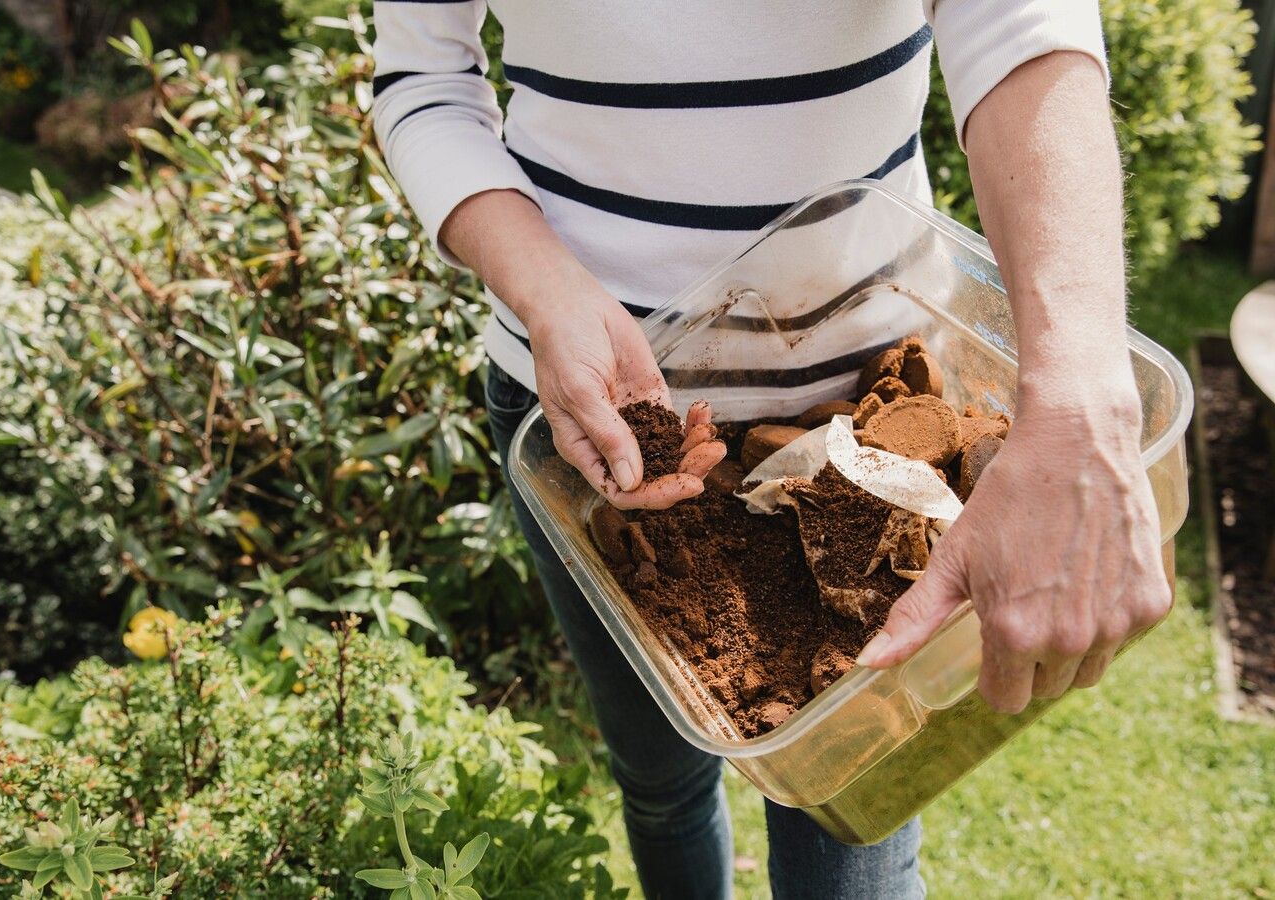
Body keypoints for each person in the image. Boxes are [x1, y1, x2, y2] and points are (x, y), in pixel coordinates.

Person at [372, 2, 1172, 897]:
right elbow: (423, 76)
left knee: (852, 848)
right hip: (594, 426)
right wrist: (547, 290)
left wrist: (1078, 412)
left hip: (873, 422)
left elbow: (1022, 25)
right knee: (663, 783)